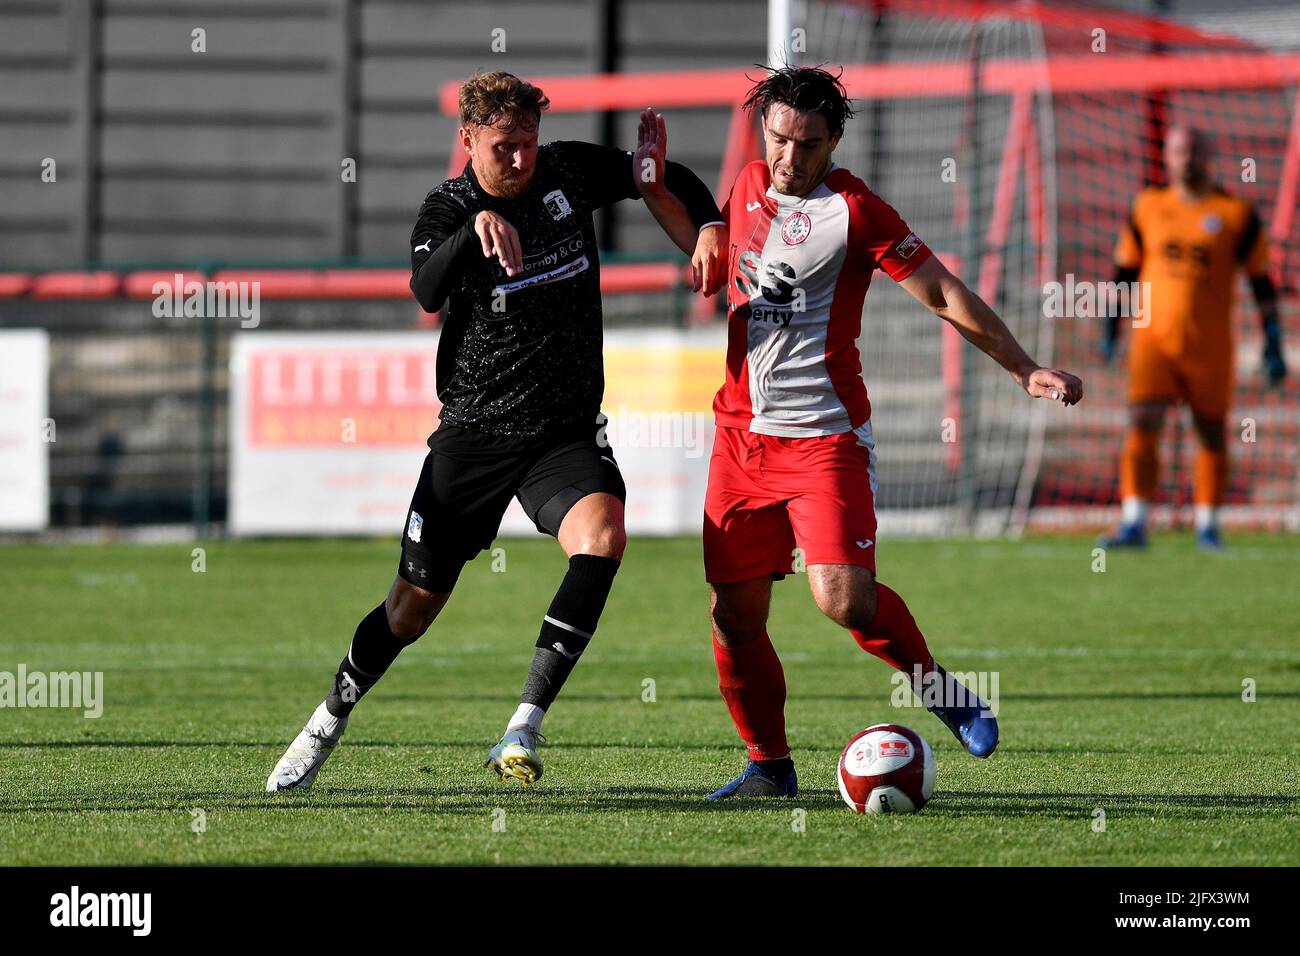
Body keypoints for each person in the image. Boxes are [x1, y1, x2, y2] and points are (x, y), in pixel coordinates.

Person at [267, 70, 725, 791]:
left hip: (562, 435)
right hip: (474, 435)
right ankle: (329, 717)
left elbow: (660, 178)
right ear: (469, 139)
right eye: (505, 146)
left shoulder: (565, 171)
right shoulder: (446, 209)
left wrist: (709, 226)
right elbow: (424, 290)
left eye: (528, 143)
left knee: (603, 538)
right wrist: (468, 237)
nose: (520, 160)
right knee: (410, 610)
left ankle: (524, 723)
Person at [702, 66, 1083, 799]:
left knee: (842, 597)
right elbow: (708, 230)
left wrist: (1023, 368)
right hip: (740, 439)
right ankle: (770, 767)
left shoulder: (856, 209)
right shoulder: (746, 183)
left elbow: (942, 290)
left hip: (826, 436)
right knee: (734, 612)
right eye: (779, 139)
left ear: (835, 141)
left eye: (807, 144)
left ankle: (939, 690)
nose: (789, 157)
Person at [1099, 125, 1286, 551]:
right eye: (1179, 151)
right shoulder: (1147, 205)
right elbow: (1124, 273)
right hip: (1153, 341)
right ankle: (1134, 522)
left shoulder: (1236, 212)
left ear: (1208, 155)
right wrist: (1111, 327)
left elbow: (1262, 284)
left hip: (1210, 344)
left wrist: (1272, 340)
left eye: (1194, 151)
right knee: (1143, 420)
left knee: (1210, 430)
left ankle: (1208, 525)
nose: (1187, 159)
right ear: (1167, 156)